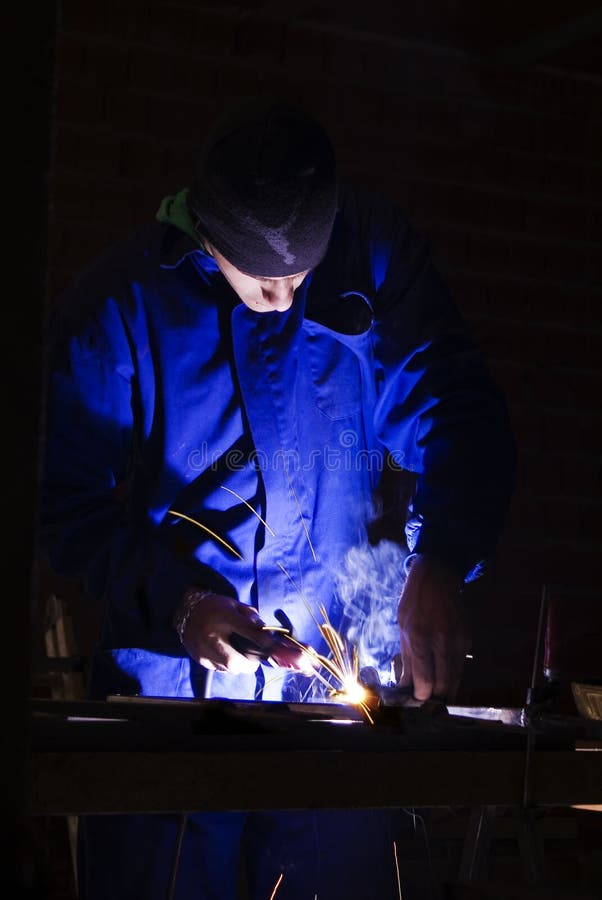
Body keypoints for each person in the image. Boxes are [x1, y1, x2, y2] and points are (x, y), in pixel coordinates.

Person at [41, 98, 516, 899]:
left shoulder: (373, 258)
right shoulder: (123, 306)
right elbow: (56, 494)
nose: (287, 298)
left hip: (331, 708)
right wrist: (178, 604)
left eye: (303, 274)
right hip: (174, 703)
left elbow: (457, 407)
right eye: (263, 280)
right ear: (206, 235)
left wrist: (443, 556)